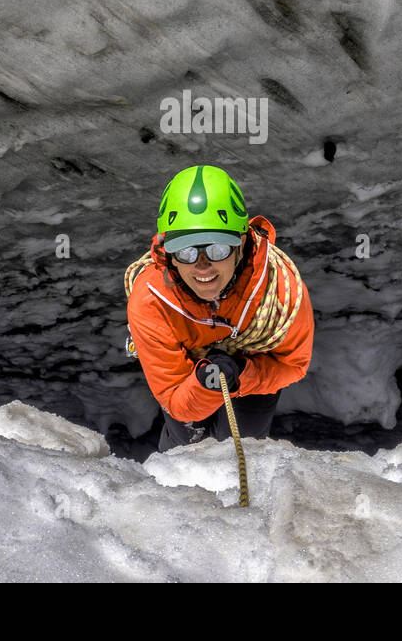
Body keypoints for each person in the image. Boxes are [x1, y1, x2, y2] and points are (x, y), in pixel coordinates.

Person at [124, 164, 314, 452]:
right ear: (168, 254)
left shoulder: (280, 291)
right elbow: (175, 398)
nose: (202, 265)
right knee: (183, 448)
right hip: (188, 375)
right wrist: (205, 384)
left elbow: (293, 365)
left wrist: (241, 372)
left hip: (253, 369)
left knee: (241, 449)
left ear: (240, 244)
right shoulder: (151, 301)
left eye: (217, 249)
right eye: (187, 251)